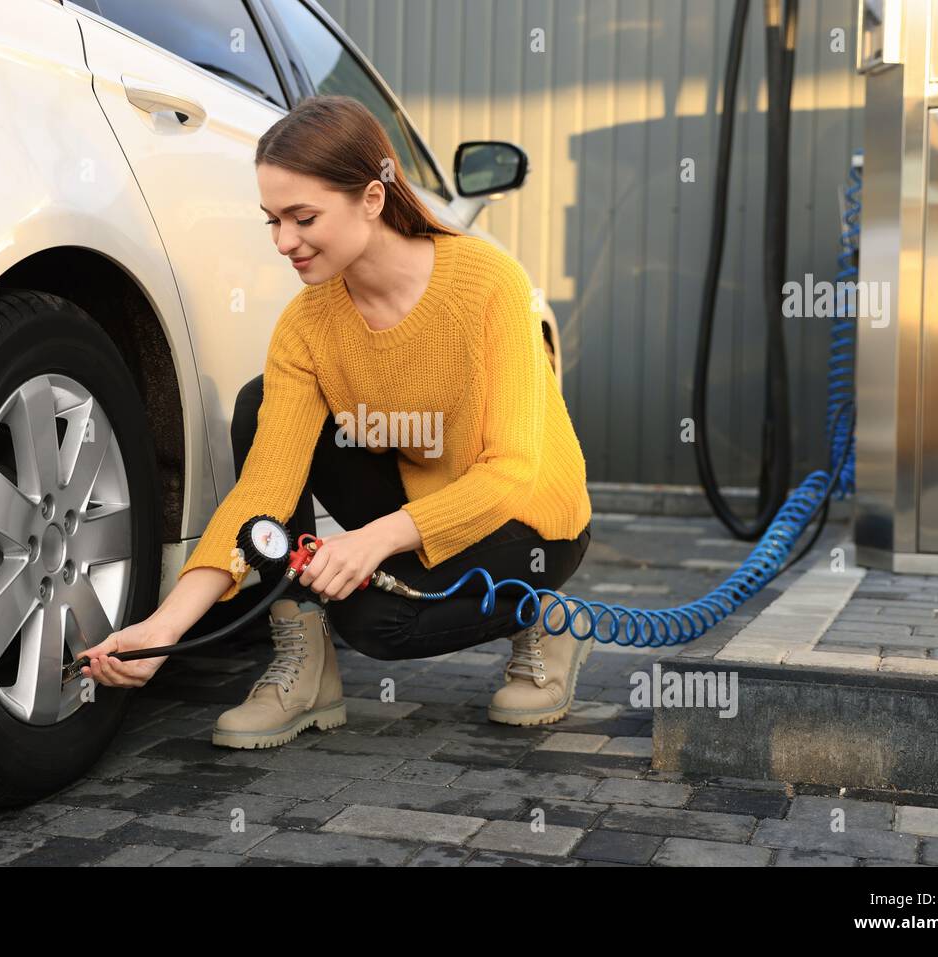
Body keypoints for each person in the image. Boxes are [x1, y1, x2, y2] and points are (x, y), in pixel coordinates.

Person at [80, 95, 593, 747]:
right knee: (259, 403)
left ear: (372, 199)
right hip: (423, 492)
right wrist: (164, 627)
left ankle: (548, 617)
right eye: (273, 220)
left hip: (527, 521)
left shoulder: (488, 283)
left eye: (303, 217)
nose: (284, 241)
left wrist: (372, 540)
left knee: (379, 623)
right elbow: (263, 493)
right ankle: (306, 666)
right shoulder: (307, 323)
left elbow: (513, 472)